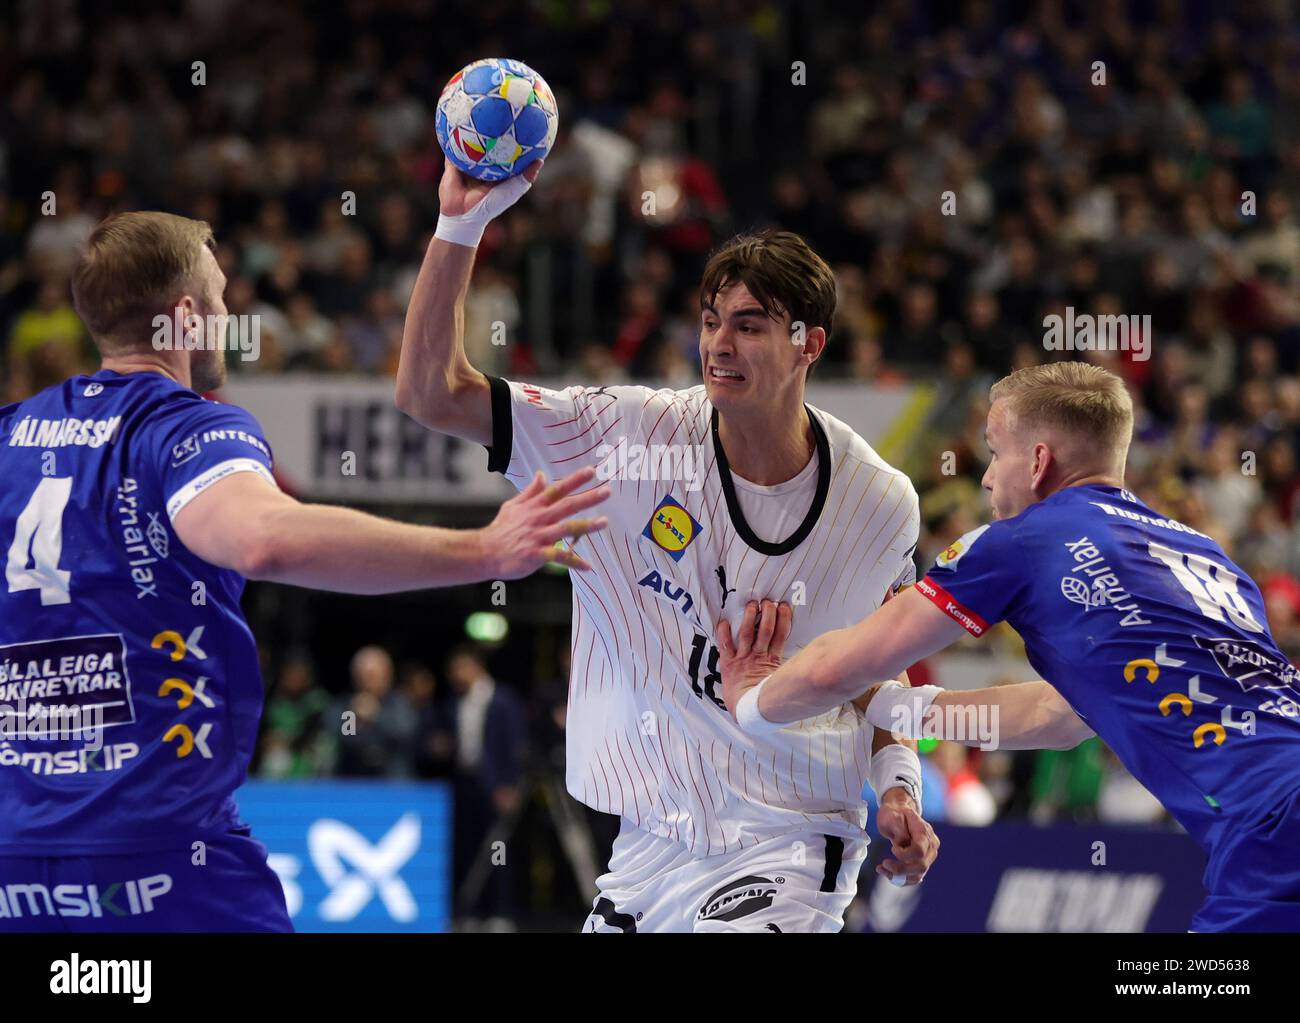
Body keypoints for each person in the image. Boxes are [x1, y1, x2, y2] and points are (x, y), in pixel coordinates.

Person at [0, 211, 609, 933]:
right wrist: (484, 549)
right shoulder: (187, 427)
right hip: (158, 853)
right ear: (186, 316)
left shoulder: (11, 431)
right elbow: (264, 538)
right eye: (224, 300)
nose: (232, 318)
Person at [395, 164, 940, 933]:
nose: (719, 343)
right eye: (712, 319)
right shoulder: (622, 434)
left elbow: (879, 670)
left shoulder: (878, 504)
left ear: (808, 344)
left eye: (749, 325)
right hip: (649, 842)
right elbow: (428, 391)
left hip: (788, 830)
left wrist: (899, 784)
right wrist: (459, 225)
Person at [718, 362, 1300, 933]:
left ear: (1040, 461)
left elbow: (836, 669)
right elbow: (1059, 715)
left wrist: (751, 697)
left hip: (1273, 826)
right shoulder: (1207, 558)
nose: (987, 478)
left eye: (995, 453)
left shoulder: (1025, 540)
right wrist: (892, 706)